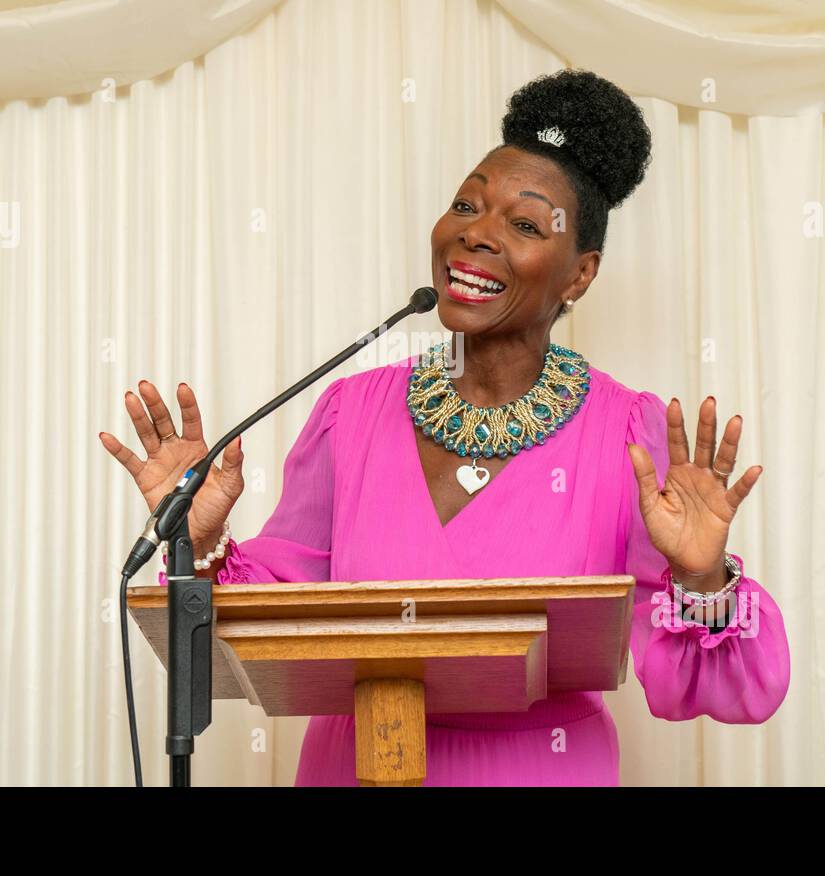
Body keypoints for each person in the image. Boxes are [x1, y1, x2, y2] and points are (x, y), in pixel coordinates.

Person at [100, 68, 790, 785]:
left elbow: (722, 691)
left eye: (524, 225)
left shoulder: (626, 434)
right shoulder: (352, 411)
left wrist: (701, 573)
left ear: (580, 276)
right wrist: (204, 536)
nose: (476, 234)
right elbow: (277, 616)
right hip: (355, 762)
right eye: (467, 204)